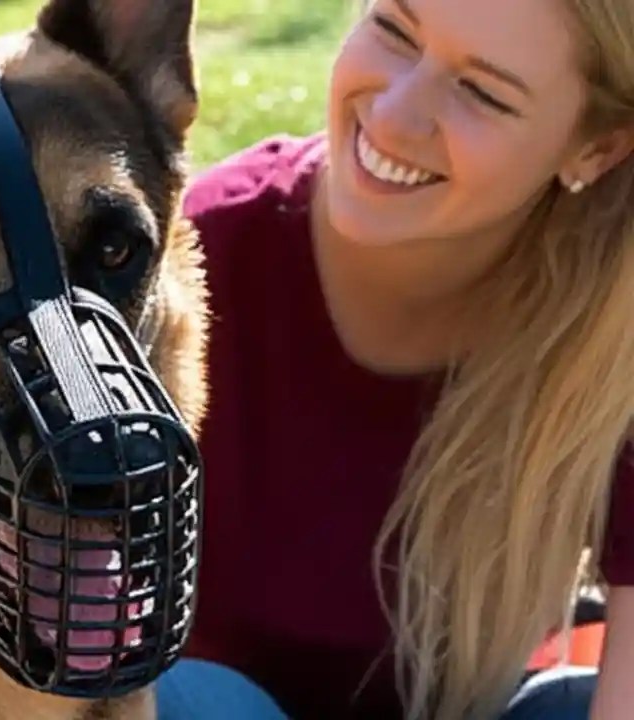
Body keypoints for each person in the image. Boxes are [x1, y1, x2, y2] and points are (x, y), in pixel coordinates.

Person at [153, 0, 634, 718]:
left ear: (595, 150)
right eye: (395, 30)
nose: (397, 113)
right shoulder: (192, 267)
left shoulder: (609, 334)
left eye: (483, 92)